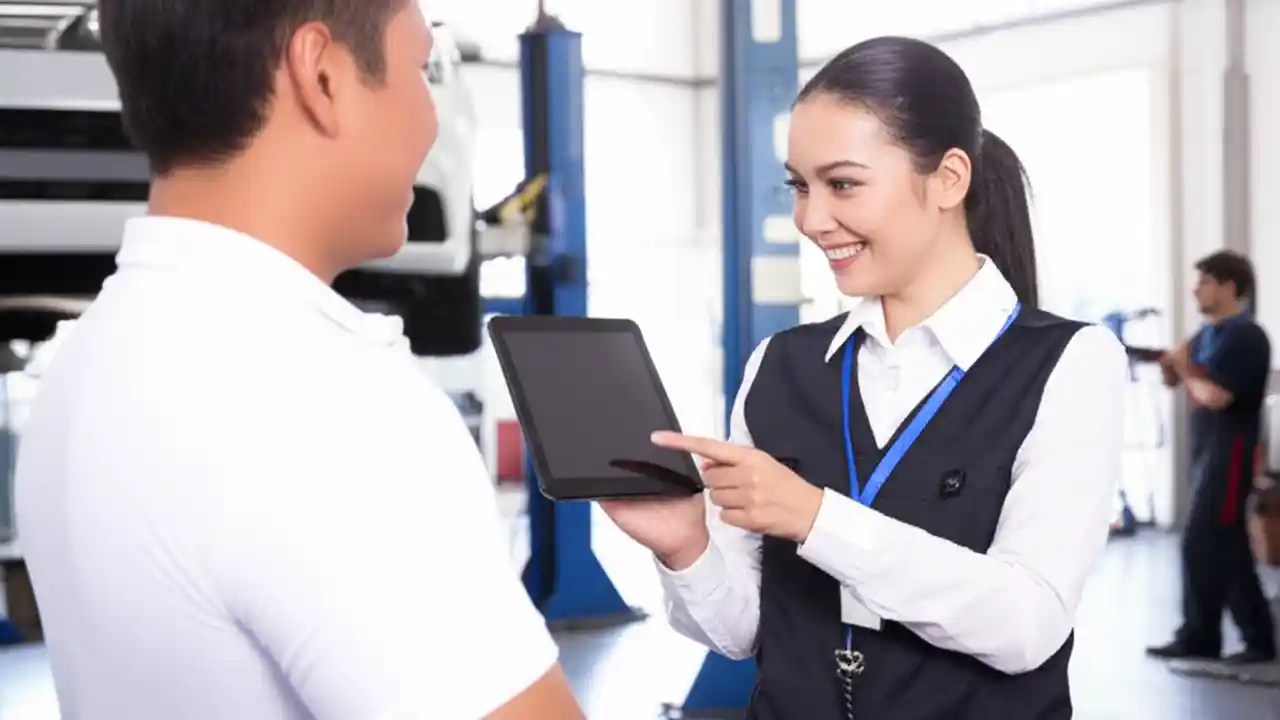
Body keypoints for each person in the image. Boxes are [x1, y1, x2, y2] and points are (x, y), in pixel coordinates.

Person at [14, 2, 583, 719]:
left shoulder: (91, 362)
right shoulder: (330, 409)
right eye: (416, 69)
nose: (430, 119)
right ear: (322, 75)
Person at [601, 36, 1127, 719]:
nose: (811, 220)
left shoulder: (1071, 364)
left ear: (948, 179)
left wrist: (814, 518)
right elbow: (741, 635)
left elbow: (1027, 624)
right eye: (799, 185)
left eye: (843, 183)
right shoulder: (779, 367)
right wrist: (685, 544)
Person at [1146, 251, 1276, 664]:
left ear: (1228, 286)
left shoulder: (1247, 337)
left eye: (1204, 282)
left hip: (1231, 453)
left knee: (1207, 542)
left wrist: (1185, 372)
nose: (1195, 289)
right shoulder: (1206, 336)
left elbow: (1217, 395)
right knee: (1222, 544)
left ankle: (1218, 636)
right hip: (1205, 453)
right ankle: (1230, 637)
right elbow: (1178, 381)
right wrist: (1171, 366)